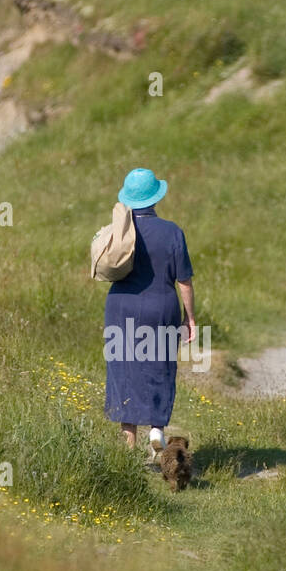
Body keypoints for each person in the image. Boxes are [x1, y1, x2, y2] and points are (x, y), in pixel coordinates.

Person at [103, 167, 195, 455]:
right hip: (161, 309)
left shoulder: (120, 231)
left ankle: (127, 448)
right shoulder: (172, 232)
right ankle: (156, 431)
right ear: (155, 198)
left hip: (120, 308)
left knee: (124, 370)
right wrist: (189, 318)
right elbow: (184, 281)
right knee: (160, 366)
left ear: (128, 199)